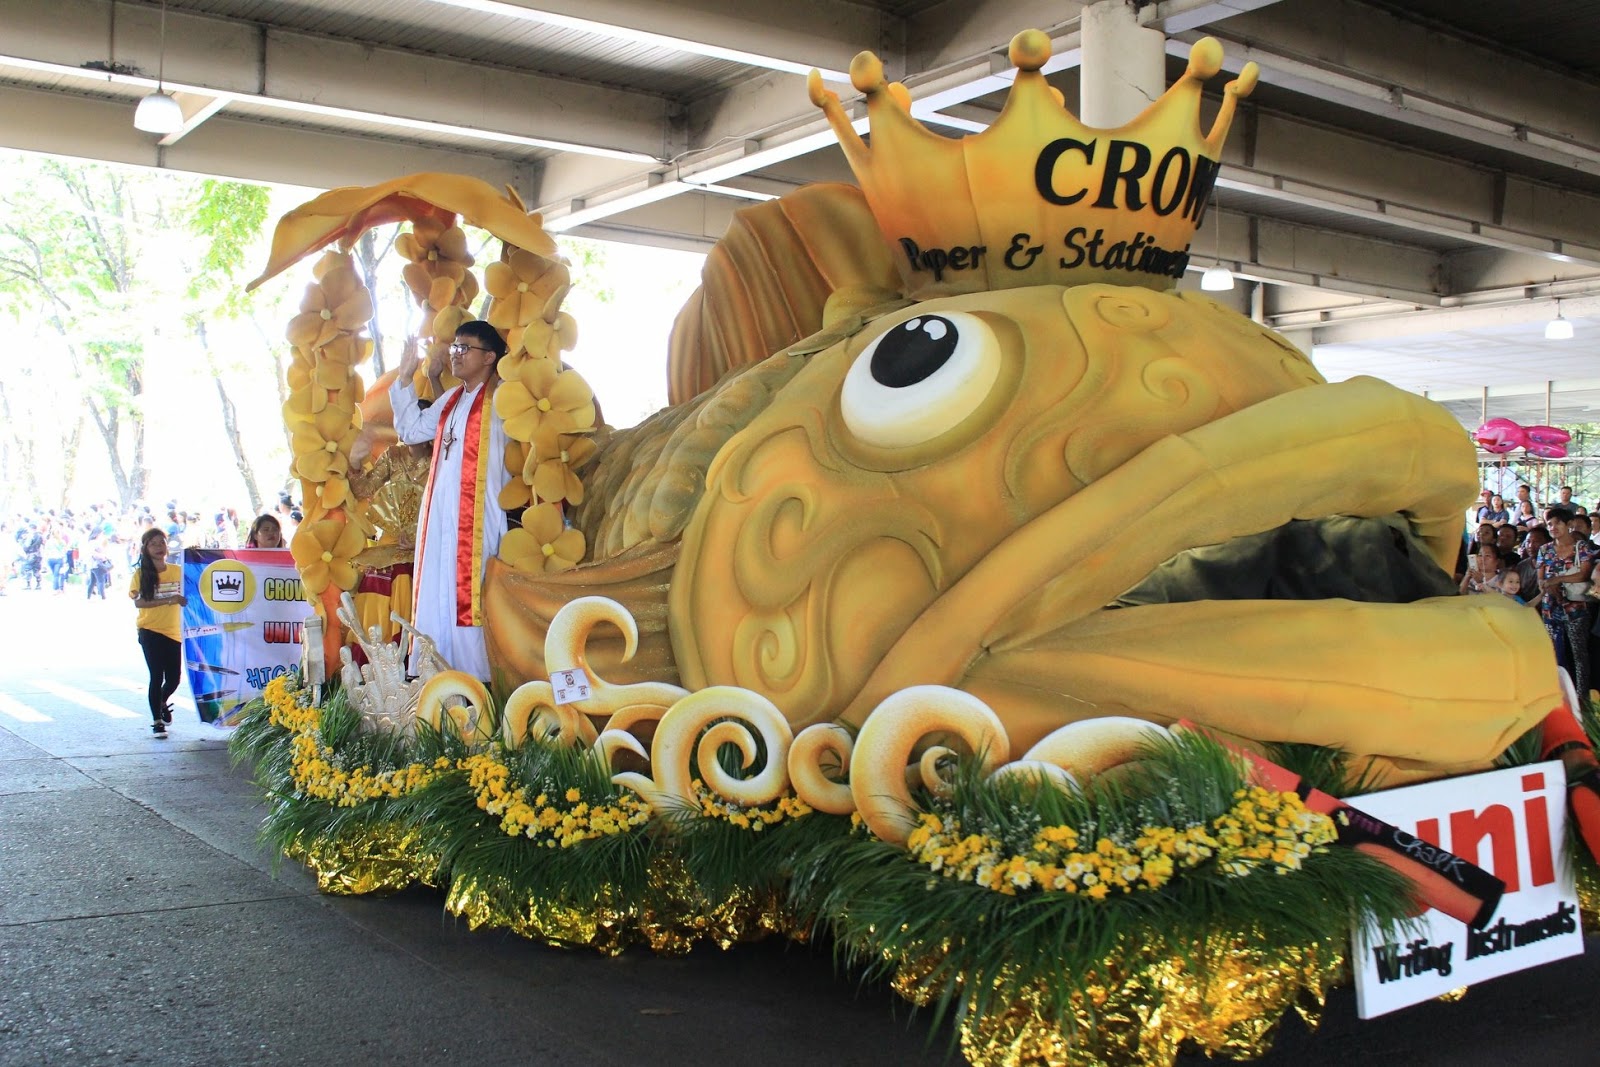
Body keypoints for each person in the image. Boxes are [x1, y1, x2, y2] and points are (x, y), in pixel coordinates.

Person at [389, 322, 512, 680]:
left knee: (472, 598)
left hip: (479, 517)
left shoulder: (504, 397)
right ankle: (434, 678)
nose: (455, 354)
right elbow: (411, 430)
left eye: (464, 348)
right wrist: (405, 377)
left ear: (489, 357)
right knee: (436, 594)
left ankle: (480, 684)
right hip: (441, 517)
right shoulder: (451, 400)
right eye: (454, 347)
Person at [129, 529, 187, 737]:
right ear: (145, 548)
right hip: (149, 630)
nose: (158, 547)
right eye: (153, 543)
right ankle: (157, 721)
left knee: (174, 679)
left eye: (161, 542)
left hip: (174, 632)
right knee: (156, 675)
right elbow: (139, 602)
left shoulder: (178, 570)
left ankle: (162, 702)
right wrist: (169, 600)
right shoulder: (141, 574)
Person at [1534, 506, 1595, 699]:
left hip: (1576, 607)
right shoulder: (1544, 550)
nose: (1553, 527)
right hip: (1550, 607)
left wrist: (1558, 580)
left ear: (1568, 525)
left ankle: (1581, 699)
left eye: (1558, 523)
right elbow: (1540, 579)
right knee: (1552, 652)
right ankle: (1555, 696)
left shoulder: (1581, 547)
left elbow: (1585, 574)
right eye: (1550, 524)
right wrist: (1549, 586)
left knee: (1579, 654)